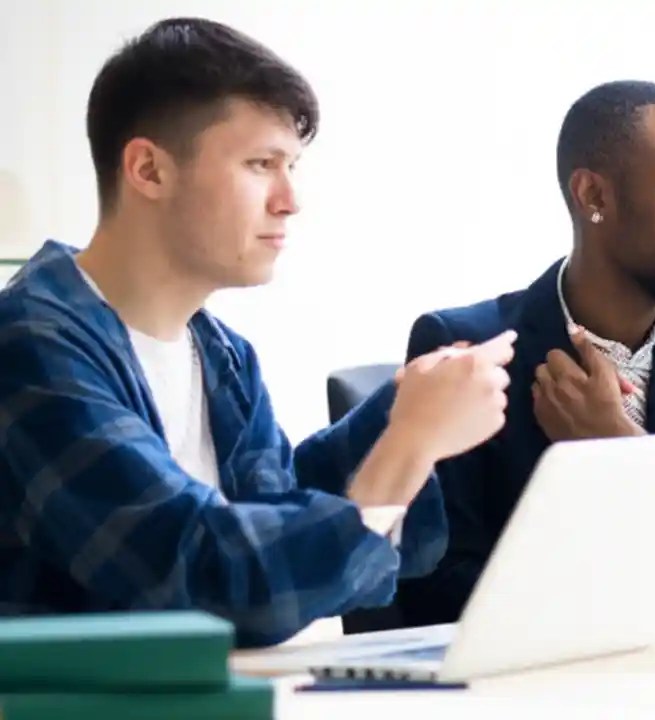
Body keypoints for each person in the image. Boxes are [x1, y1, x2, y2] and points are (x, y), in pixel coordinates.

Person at [0, 17, 514, 647]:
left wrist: (408, 410)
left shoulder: (220, 353)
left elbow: (269, 520)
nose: (290, 199)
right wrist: (405, 447)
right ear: (149, 170)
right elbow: (206, 578)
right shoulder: (28, 342)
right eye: (261, 164)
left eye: (291, 165)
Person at [393, 80, 655, 625]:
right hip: (534, 682)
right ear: (595, 196)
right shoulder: (469, 348)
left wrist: (621, 446)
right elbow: (434, 588)